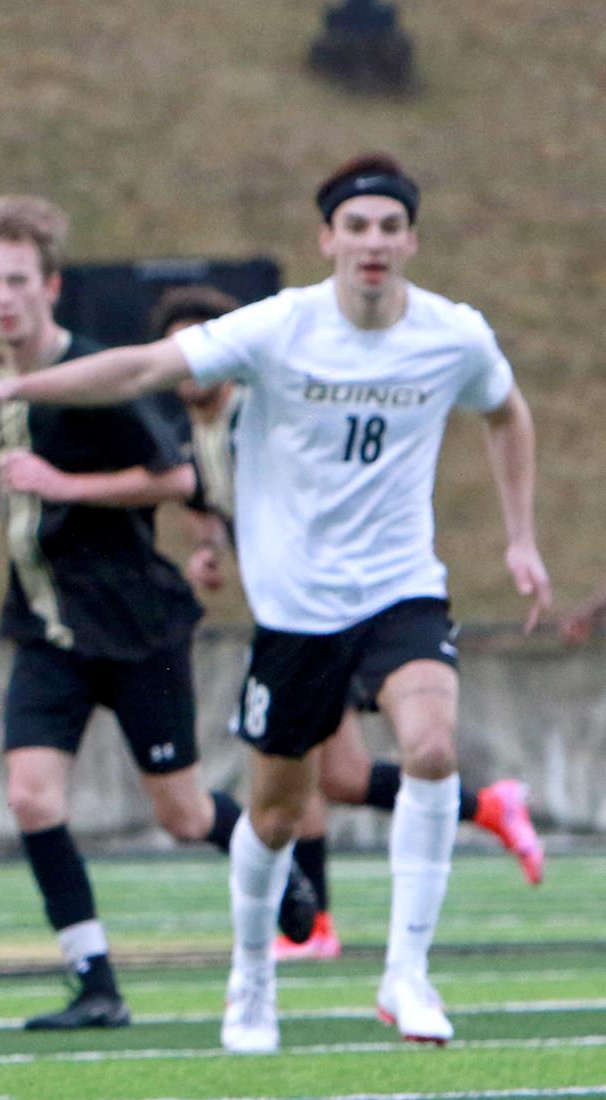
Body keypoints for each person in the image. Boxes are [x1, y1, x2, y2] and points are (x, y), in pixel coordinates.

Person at [0, 156, 552, 1053]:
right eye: (356, 226)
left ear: (410, 240)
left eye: (389, 227)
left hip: (401, 586)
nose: (372, 242)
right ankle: (252, 976)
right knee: (274, 813)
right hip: (296, 608)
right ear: (326, 239)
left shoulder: (455, 336)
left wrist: (521, 537)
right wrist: (13, 387)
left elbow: (508, 413)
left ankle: (407, 973)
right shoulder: (281, 326)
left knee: (433, 744)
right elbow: (141, 365)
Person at [0, 196, 306, 1032]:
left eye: (18, 279)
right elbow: (17, 476)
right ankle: (96, 981)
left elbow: (175, 479)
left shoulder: (96, 376)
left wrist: (71, 488)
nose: (4, 296)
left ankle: (284, 867)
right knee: (29, 796)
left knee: (184, 813)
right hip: (48, 630)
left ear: (50, 284)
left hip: (136, 627)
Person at [156, 285, 546, 964]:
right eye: (182, 355)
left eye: (202, 350)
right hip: (292, 612)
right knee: (340, 776)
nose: (194, 370)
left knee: (306, 772)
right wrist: (209, 548)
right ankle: (487, 807)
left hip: (336, 607)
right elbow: (206, 495)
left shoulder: (264, 405)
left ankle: (316, 923)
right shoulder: (202, 431)